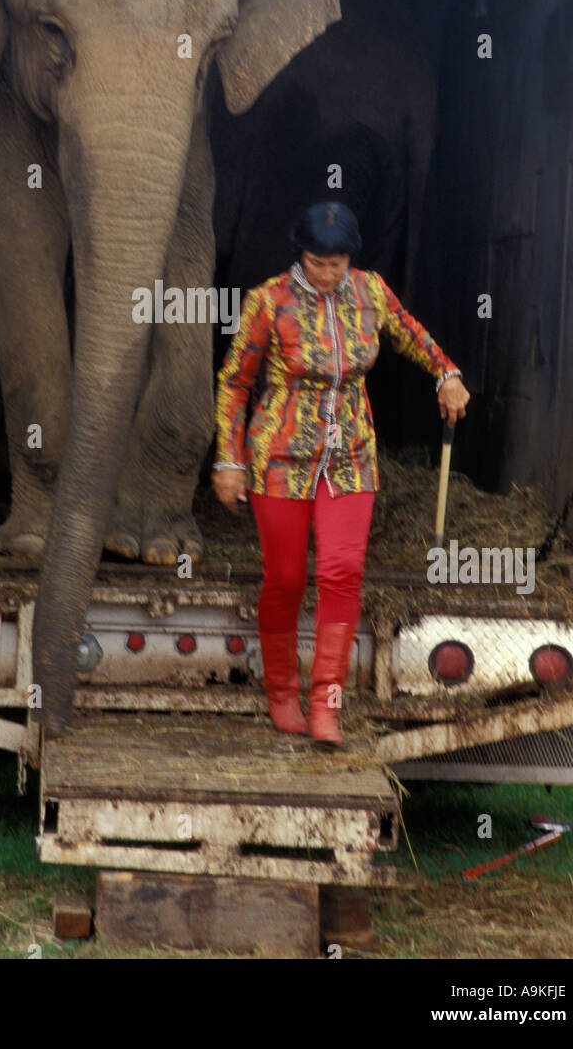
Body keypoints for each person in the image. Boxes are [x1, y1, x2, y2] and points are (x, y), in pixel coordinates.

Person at [212, 201, 470, 745]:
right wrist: (229, 459)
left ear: (351, 259)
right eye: (316, 263)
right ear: (298, 256)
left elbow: (410, 335)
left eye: (337, 264)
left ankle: (326, 703)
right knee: (286, 579)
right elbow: (235, 381)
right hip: (279, 456)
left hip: (351, 453)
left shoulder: (371, 292)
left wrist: (447, 372)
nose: (328, 274)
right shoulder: (268, 302)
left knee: (342, 574)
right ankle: (281, 694)